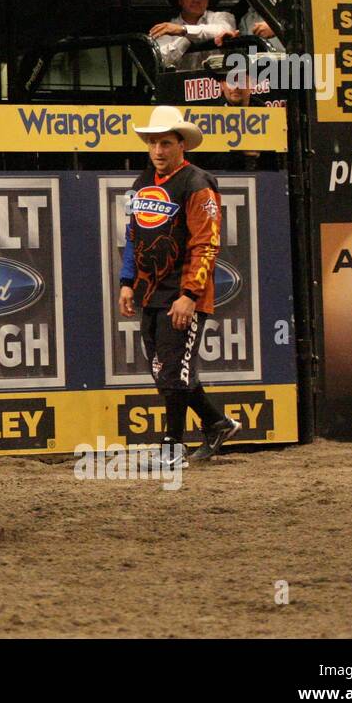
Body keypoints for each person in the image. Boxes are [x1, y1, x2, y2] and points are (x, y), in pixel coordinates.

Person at [118, 105, 242, 467]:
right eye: (153, 143)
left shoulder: (197, 183)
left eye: (166, 143)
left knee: (172, 369)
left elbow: (206, 243)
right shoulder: (141, 184)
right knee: (163, 369)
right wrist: (127, 282)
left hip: (183, 293)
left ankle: (173, 448)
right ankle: (216, 423)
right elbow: (133, 236)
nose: (159, 151)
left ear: (181, 145)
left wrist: (189, 295)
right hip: (150, 292)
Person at [148, 0, 235, 68]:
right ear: (180, 0)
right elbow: (162, 61)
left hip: (218, 81)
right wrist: (187, 38)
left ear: (208, 0)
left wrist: (184, 30)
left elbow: (223, 30)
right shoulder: (167, 28)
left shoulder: (223, 16)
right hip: (180, 81)